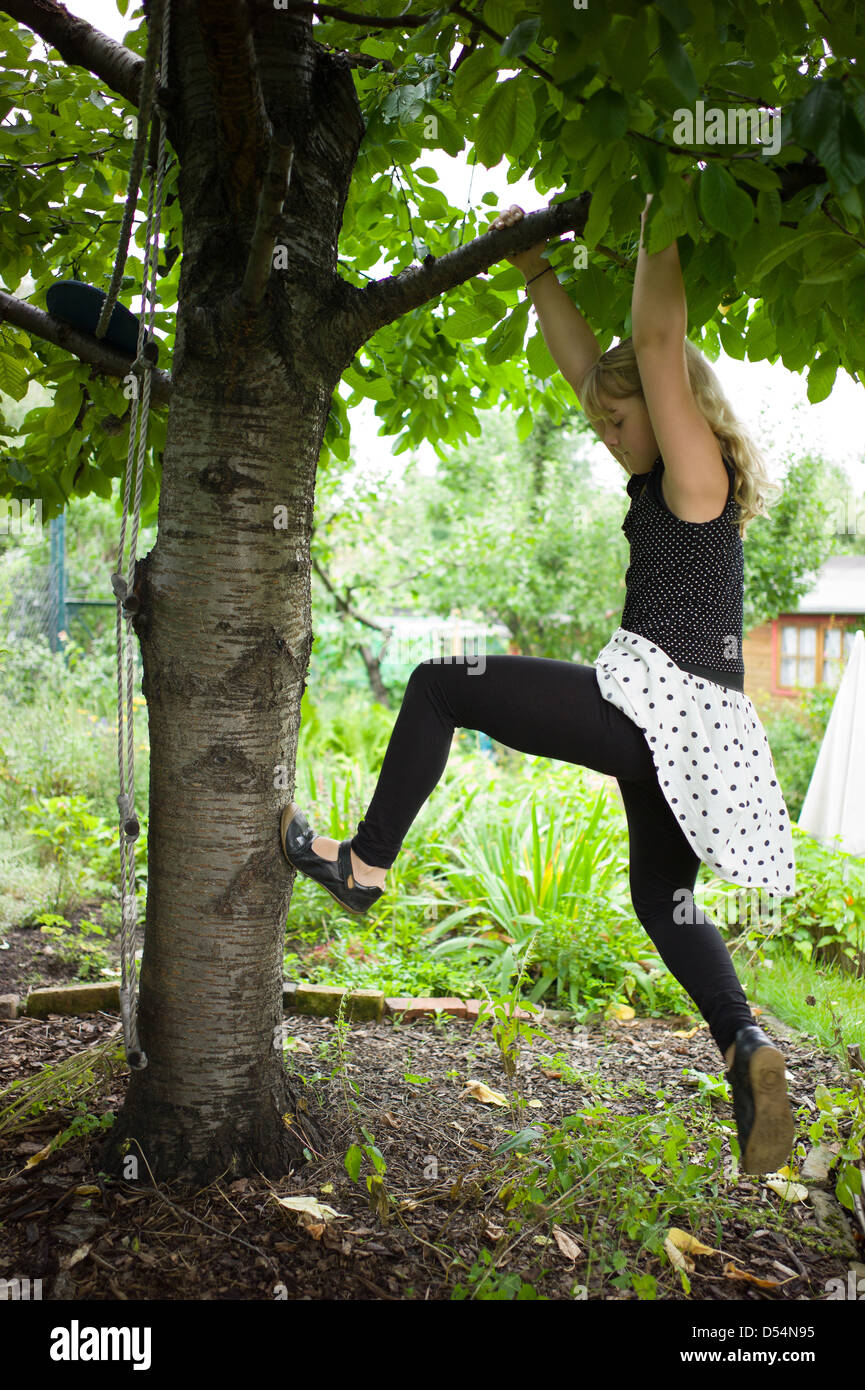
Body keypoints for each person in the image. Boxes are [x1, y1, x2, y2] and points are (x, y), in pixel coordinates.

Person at [281, 198, 797, 1175]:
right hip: (693, 734)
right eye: (600, 421)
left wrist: (659, 195)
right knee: (663, 895)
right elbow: (586, 369)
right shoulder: (663, 482)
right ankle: (745, 1046)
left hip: (655, 706)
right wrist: (534, 273)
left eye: (619, 415)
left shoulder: (697, 477)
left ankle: (364, 867)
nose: (604, 431)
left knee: (440, 683)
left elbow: (656, 335)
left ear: (672, 400)